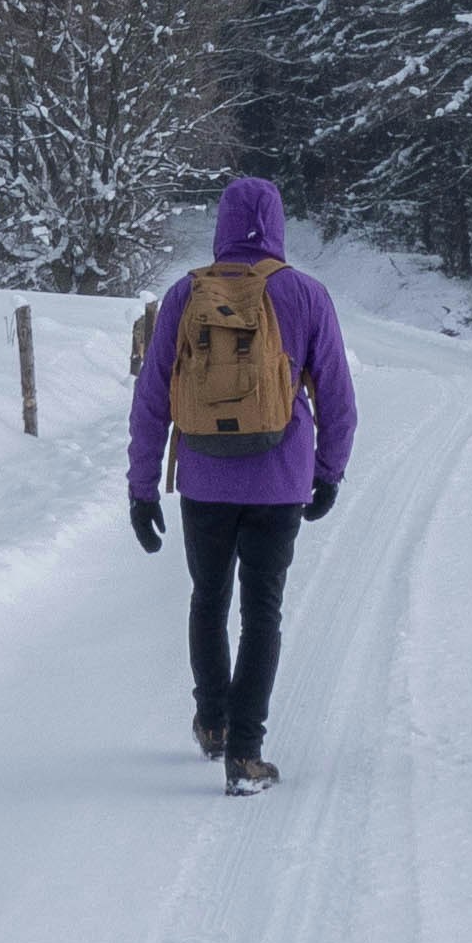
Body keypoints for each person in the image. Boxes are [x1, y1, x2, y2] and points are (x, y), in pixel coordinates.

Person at [126, 175, 358, 794]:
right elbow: (336, 395)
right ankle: (247, 755)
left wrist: (142, 487)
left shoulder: (185, 295)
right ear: (278, 223)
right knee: (261, 613)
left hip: (203, 474)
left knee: (208, 599)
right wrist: (328, 472)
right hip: (279, 479)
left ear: (222, 224)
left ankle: (212, 724)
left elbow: (152, 396)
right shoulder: (306, 294)